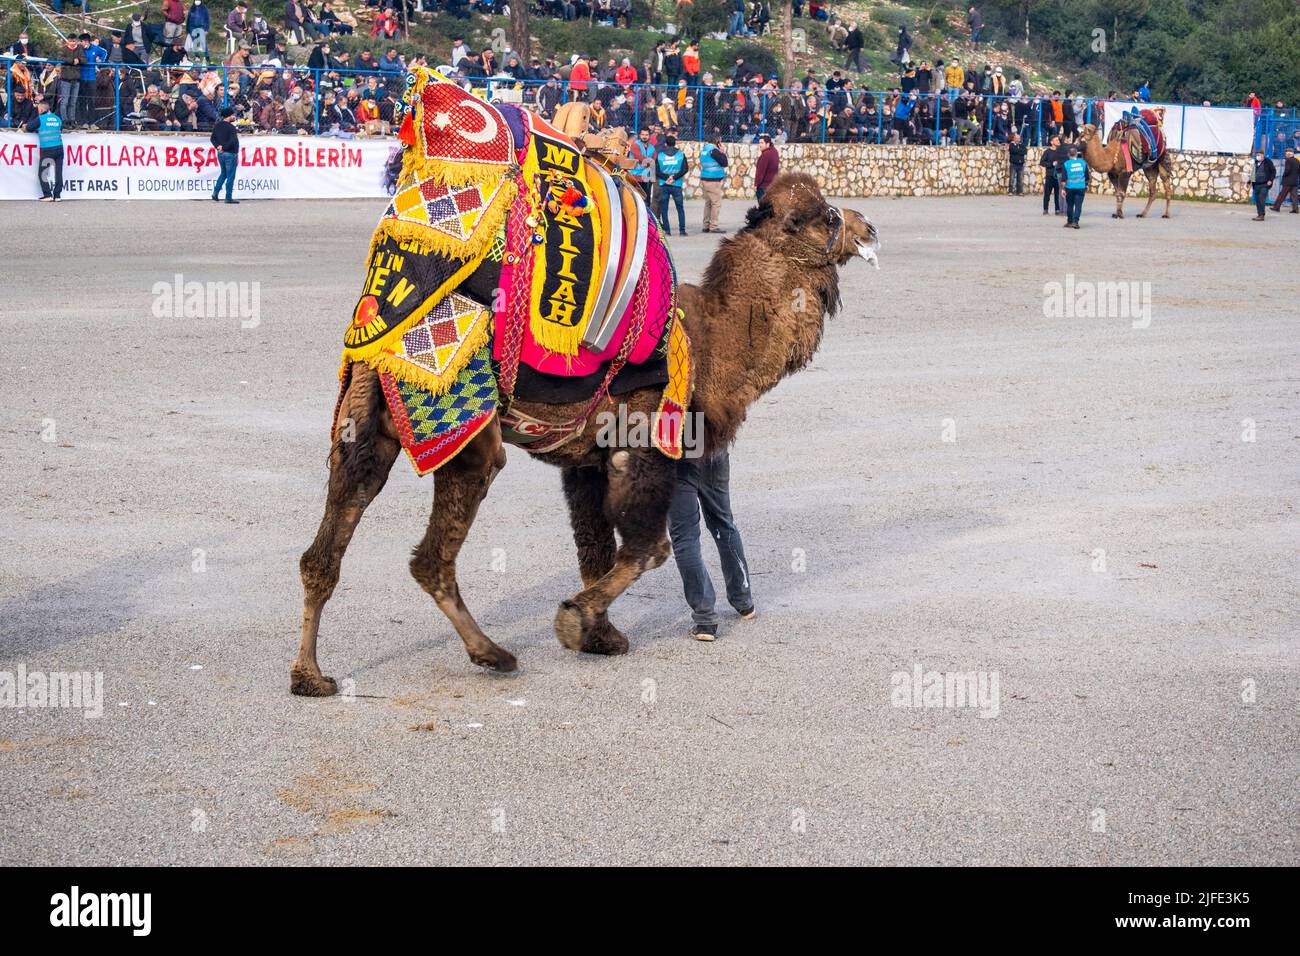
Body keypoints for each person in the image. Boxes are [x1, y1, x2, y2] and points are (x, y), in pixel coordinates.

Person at [669, 452, 755, 642]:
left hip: (677, 456)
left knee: (685, 537)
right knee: (724, 524)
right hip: (714, 450)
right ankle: (743, 601)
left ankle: (705, 619)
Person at [27, 101, 64, 202]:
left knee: (43, 173)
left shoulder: (41, 119)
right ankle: (57, 196)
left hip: (47, 149)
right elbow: (60, 129)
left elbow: (29, 128)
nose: (38, 111)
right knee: (58, 173)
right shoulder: (57, 118)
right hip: (59, 148)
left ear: (42, 109)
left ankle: (47, 195)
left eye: (38, 109)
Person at [211, 105, 241, 204]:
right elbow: (233, 141)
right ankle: (228, 197)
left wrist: (218, 147)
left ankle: (215, 192)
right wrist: (224, 147)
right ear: (228, 116)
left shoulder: (217, 125)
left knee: (223, 174)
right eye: (232, 115)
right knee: (231, 176)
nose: (234, 116)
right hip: (230, 153)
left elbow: (212, 138)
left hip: (221, 154)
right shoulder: (231, 127)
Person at [699, 133, 728, 234]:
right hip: (713, 180)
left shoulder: (704, 149)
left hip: (705, 178)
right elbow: (725, 163)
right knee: (716, 203)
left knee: (708, 203)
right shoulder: (714, 151)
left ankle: (706, 225)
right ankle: (714, 226)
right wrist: (723, 152)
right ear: (717, 142)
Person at [1061, 145, 1087, 228]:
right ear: (1076, 154)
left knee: (1070, 205)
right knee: (1078, 206)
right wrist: (1085, 185)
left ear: (1068, 154)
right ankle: (1075, 222)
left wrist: (1063, 189)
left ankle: (1069, 221)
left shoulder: (1066, 164)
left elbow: (1064, 179)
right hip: (1081, 187)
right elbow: (1087, 176)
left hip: (1070, 188)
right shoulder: (1083, 163)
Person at [1040, 133, 1064, 216]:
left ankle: (1057, 209)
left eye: (1058, 140)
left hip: (1059, 175)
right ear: (1051, 142)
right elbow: (1042, 162)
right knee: (1047, 193)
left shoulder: (1061, 151)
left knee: (1058, 193)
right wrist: (1051, 164)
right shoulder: (1047, 152)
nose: (1058, 141)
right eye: (1056, 140)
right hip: (1050, 175)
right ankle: (1045, 209)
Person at [1250, 148, 1275, 221]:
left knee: (1261, 198)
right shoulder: (1256, 162)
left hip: (1264, 184)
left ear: (1263, 155)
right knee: (1257, 199)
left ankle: (1262, 215)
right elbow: (1253, 173)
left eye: (1259, 155)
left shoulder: (1268, 161)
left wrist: (1271, 180)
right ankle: (1259, 214)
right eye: (1256, 155)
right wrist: (1250, 182)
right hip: (1257, 184)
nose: (1257, 156)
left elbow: (1273, 171)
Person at [1271, 147, 1299, 213]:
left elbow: (1287, 170)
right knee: (1294, 196)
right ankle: (1295, 209)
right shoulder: (1297, 160)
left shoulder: (1288, 160)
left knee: (1282, 195)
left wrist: (1284, 176)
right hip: (1294, 181)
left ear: (1287, 154)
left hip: (1288, 181)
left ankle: (1276, 207)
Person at [754, 133, 779, 201]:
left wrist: (756, 185)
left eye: (762, 143)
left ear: (767, 144)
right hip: (773, 186)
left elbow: (760, 173)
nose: (760, 145)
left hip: (763, 187)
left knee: (763, 209)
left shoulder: (765, 155)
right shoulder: (775, 151)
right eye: (759, 143)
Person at [1007, 130, 1026, 195]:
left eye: (1019, 138)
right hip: (1013, 164)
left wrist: (1017, 151)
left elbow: (1024, 152)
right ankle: (1010, 191)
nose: (1018, 139)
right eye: (1016, 138)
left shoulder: (1022, 145)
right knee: (1012, 178)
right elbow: (1012, 150)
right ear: (1014, 139)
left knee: (1020, 179)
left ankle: (1019, 191)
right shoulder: (1011, 145)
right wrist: (1019, 151)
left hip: (1021, 164)